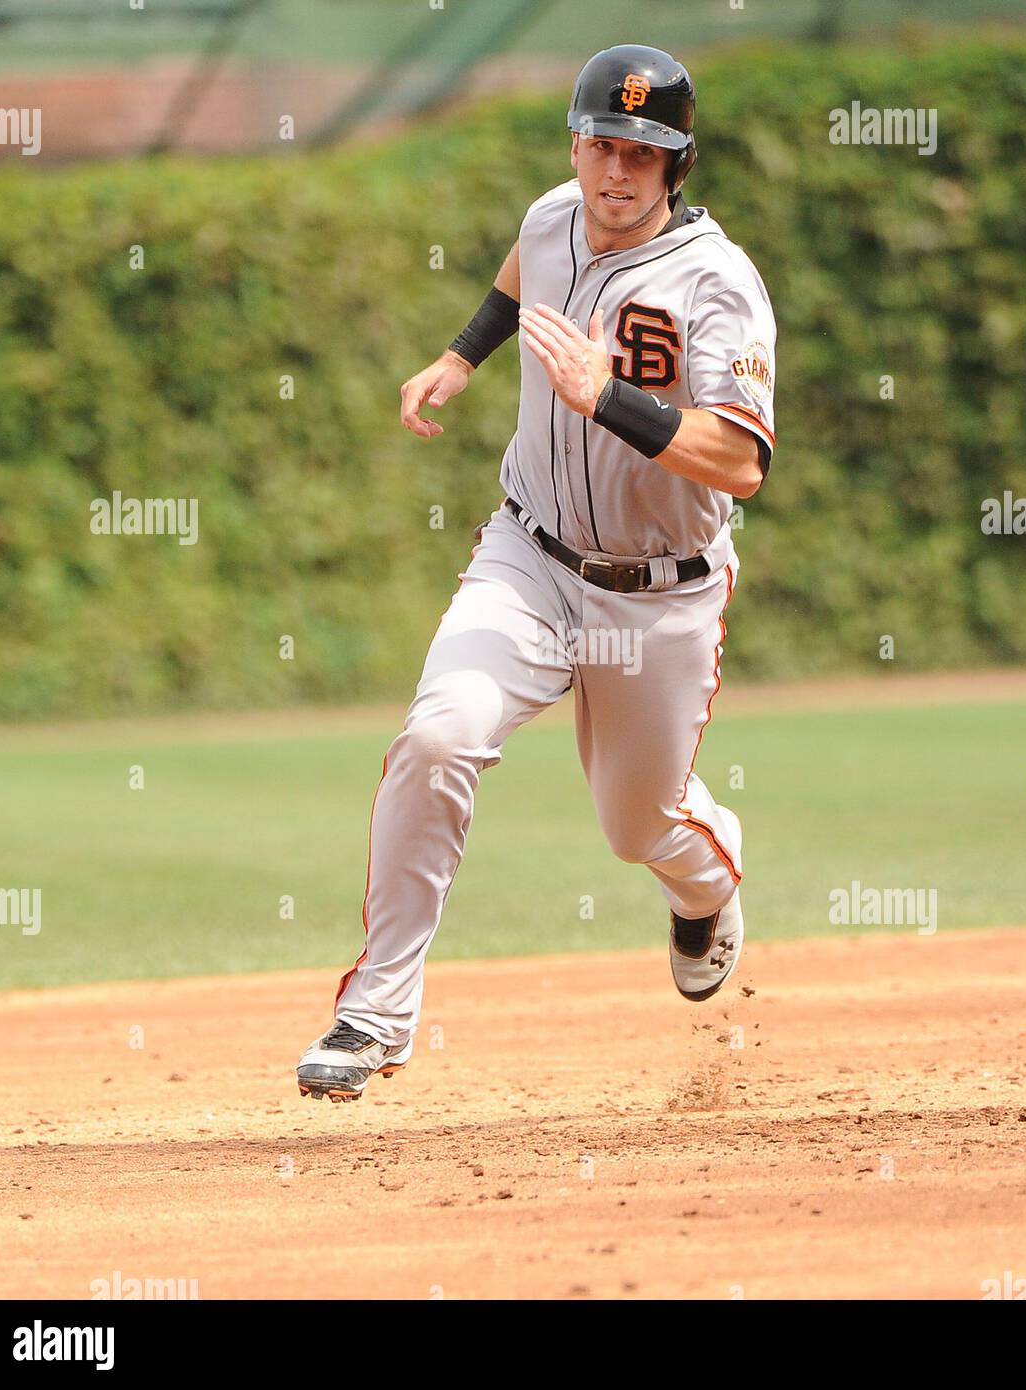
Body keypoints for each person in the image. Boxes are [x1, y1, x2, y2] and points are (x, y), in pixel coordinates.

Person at [297, 43, 778, 1101]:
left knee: (635, 825)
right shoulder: (552, 213)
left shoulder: (716, 284)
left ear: (675, 167)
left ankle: (706, 880)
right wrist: (459, 356)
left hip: (659, 591)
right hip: (527, 556)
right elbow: (520, 279)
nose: (615, 172)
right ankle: (372, 1015)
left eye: (640, 156)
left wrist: (608, 397)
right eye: (601, 144)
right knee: (437, 734)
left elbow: (739, 458)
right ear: (575, 143)